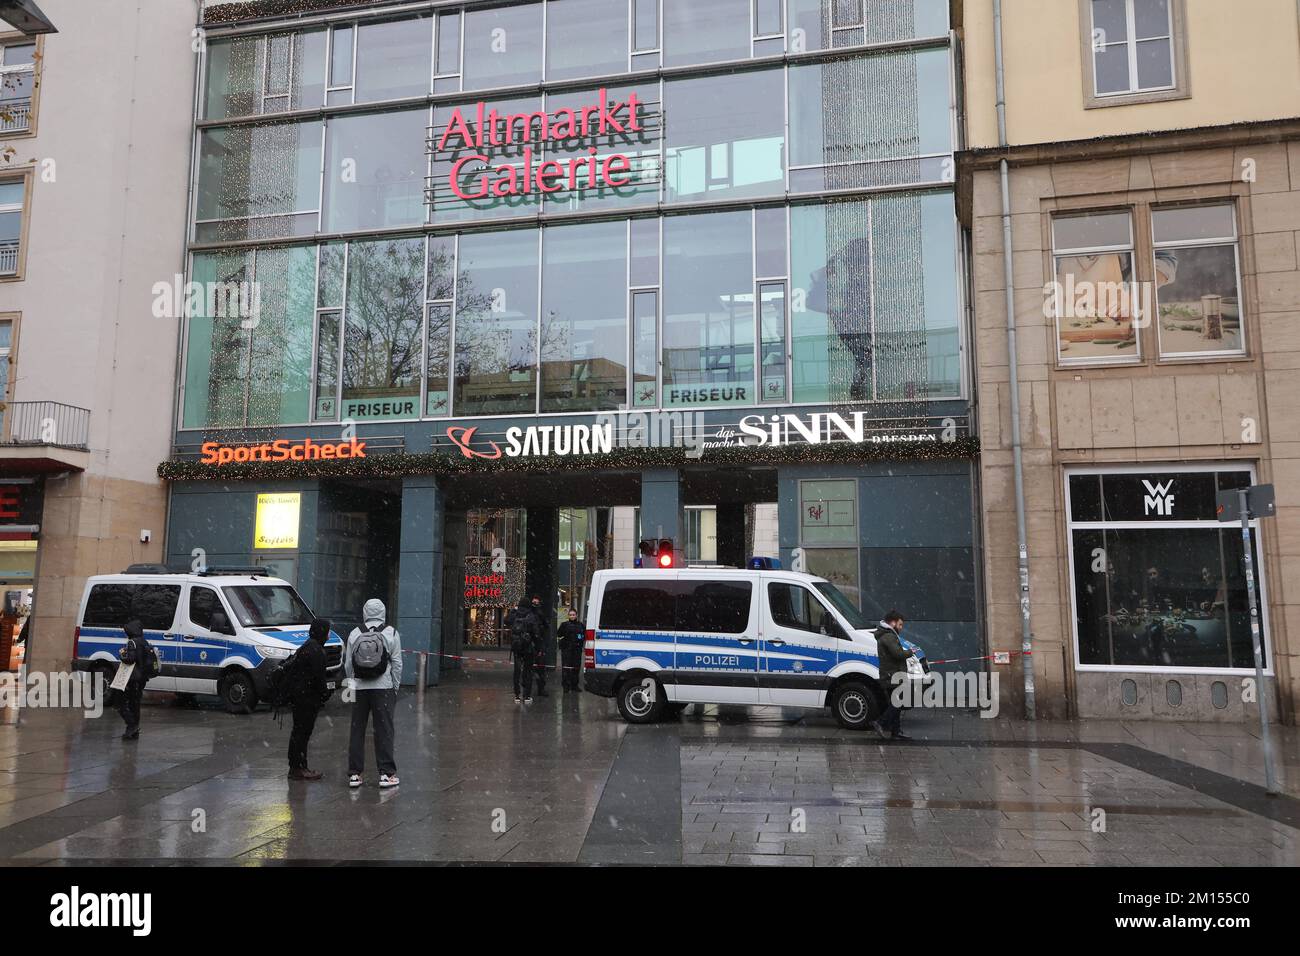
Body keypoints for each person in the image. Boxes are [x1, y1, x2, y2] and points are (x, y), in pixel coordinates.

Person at [344, 599, 402, 789]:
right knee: (384, 730)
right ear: (383, 612)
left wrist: (351, 686)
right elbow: (397, 663)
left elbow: (348, 664)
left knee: (357, 730)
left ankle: (355, 774)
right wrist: (394, 687)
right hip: (382, 687)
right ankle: (386, 774)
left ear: (365, 612)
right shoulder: (390, 632)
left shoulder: (354, 633)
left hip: (359, 688)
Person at [287, 618, 331, 781]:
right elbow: (318, 678)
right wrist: (325, 694)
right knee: (302, 732)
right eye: (327, 632)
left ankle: (296, 766)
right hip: (306, 699)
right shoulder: (316, 650)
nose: (327, 637)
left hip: (299, 697)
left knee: (298, 731)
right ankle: (299, 768)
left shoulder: (306, 646)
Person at [872, 610, 913, 741]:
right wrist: (910, 652)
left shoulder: (887, 634)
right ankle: (881, 723)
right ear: (893, 622)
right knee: (898, 703)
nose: (901, 628)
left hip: (890, 675)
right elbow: (897, 654)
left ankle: (896, 731)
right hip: (892, 676)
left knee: (895, 703)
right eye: (900, 625)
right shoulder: (889, 636)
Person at [115, 618, 152, 741]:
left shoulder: (132, 643)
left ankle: (131, 726)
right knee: (135, 703)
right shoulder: (144, 642)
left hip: (132, 678)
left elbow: (130, 659)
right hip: (141, 678)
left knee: (120, 703)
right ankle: (134, 728)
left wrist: (122, 654)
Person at [507, 597, 539, 704]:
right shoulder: (531, 615)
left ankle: (517, 695)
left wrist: (513, 610)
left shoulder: (515, 614)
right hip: (528, 647)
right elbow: (535, 632)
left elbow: (506, 621)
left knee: (517, 671)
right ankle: (526, 696)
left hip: (516, 647)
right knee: (528, 671)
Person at [556, 606, 584, 692]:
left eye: (573, 614)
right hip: (567, 649)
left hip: (576, 650)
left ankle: (574, 685)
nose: (572, 616)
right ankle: (566, 686)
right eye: (570, 615)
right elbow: (559, 634)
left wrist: (579, 640)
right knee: (566, 668)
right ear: (568, 616)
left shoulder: (581, 625)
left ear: (576, 615)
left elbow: (583, 636)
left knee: (576, 668)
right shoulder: (564, 625)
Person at [530, 595, 552, 697]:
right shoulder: (529, 614)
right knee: (530, 668)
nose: (534, 604)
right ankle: (530, 690)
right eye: (533, 602)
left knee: (540, 668)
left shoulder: (540, 614)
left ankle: (540, 688)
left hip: (539, 643)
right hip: (531, 643)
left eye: (536, 603)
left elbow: (546, 627)